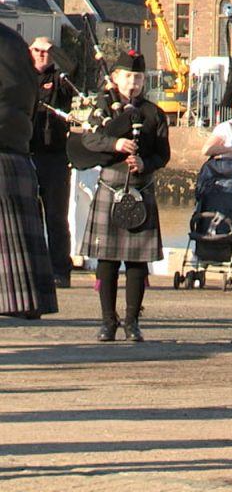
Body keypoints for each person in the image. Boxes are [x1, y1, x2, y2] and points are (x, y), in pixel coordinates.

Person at [79, 50, 170, 342]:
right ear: (116, 78)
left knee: (136, 262)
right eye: (128, 76)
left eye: (139, 77)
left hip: (140, 188)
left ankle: (132, 321)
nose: (134, 83)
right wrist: (116, 142)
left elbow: (163, 154)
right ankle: (108, 321)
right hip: (110, 186)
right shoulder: (103, 107)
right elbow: (88, 139)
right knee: (106, 261)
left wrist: (147, 163)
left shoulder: (155, 113)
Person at [0, 26, 58, 319]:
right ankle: (24, 300)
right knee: (17, 244)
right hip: (16, 152)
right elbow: (33, 99)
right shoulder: (15, 41)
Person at [29, 36, 76, 288]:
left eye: (45, 52)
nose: (41, 55)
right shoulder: (22, 78)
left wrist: (53, 48)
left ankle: (60, 270)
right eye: (36, 50)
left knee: (56, 218)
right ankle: (32, 268)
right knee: (29, 217)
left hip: (55, 158)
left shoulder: (60, 80)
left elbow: (73, 68)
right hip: (27, 154)